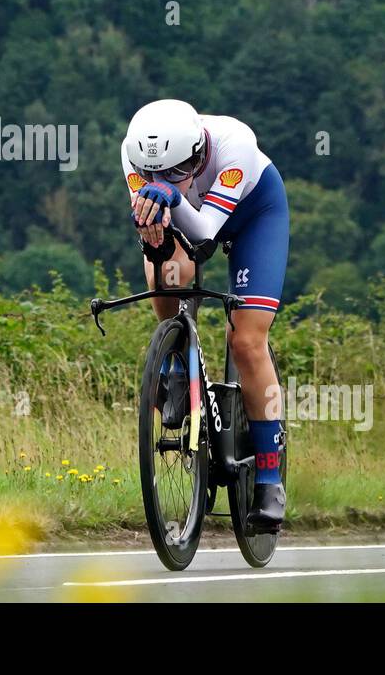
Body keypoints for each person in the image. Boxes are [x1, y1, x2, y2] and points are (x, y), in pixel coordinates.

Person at [121, 98, 289, 532]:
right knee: (167, 273)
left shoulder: (235, 147)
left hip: (252, 216)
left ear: (198, 155)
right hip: (185, 214)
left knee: (247, 341)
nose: (163, 179)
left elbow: (205, 231)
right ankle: (176, 363)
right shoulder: (134, 154)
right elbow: (163, 238)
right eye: (155, 173)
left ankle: (270, 478)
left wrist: (171, 194)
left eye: (177, 170)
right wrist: (154, 238)